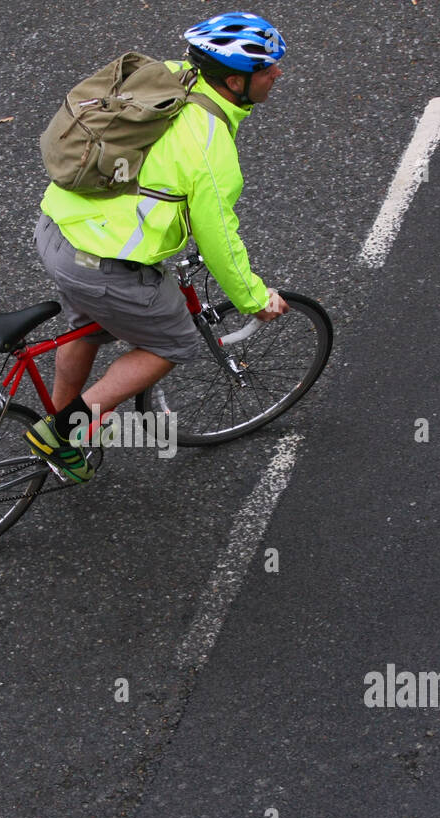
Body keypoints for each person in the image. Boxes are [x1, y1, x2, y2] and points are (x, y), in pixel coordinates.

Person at [26, 11, 291, 482]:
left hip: (57, 230)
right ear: (234, 82)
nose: (278, 74)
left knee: (86, 327)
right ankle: (64, 431)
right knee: (173, 343)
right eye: (267, 68)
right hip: (101, 264)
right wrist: (254, 299)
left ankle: (64, 427)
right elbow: (219, 240)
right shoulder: (211, 151)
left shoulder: (169, 75)